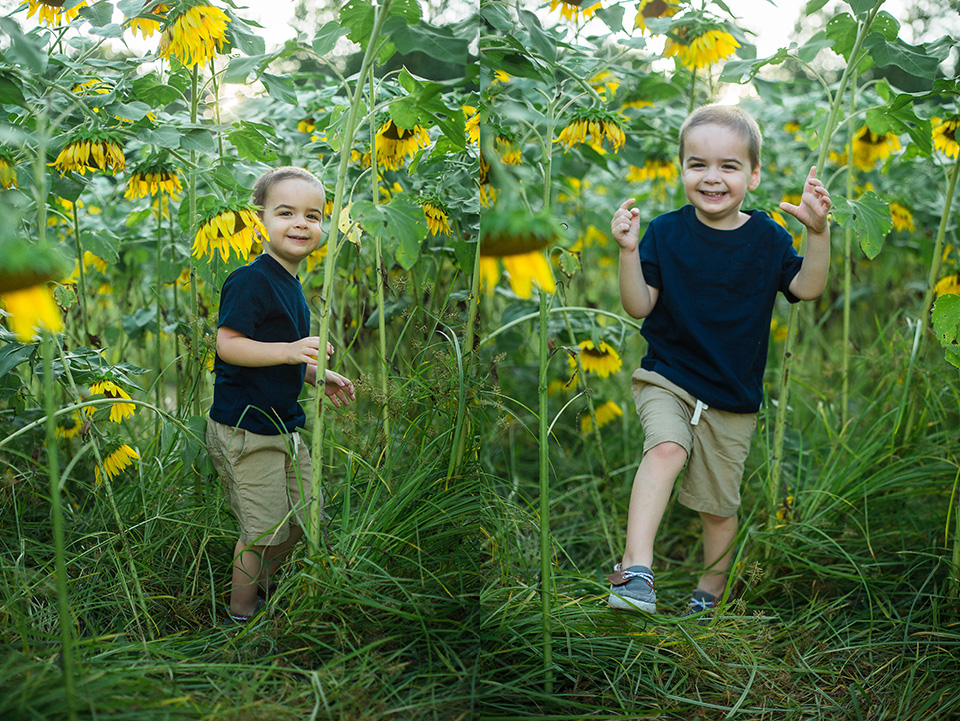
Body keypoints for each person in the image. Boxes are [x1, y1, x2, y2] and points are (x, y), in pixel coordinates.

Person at [607, 104, 831, 616]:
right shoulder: (663, 232)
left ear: (753, 174)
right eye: (697, 164)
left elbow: (807, 288)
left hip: (732, 395)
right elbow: (639, 305)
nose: (712, 177)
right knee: (666, 449)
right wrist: (627, 251)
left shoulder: (770, 237)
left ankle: (708, 596)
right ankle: (636, 572)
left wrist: (817, 235)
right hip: (668, 376)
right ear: (681, 168)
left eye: (729, 166)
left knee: (717, 509)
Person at [205, 166, 355, 624]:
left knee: (303, 521)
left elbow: (277, 354)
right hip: (245, 428)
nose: (300, 223)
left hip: (282, 425)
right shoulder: (250, 279)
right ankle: (240, 618)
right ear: (259, 222)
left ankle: (262, 587)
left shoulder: (290, 283)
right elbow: (227, 345)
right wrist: (291, 351)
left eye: (313, 215)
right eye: (285, 212)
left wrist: (310, 372)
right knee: (264, 531)